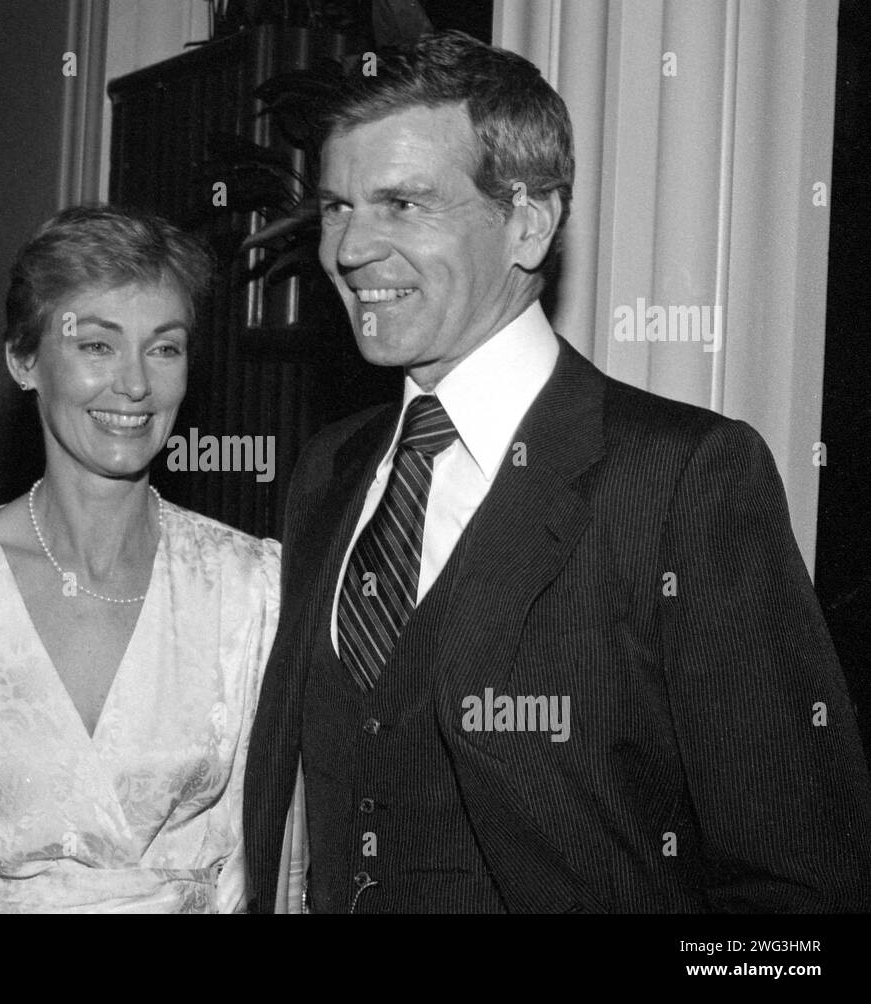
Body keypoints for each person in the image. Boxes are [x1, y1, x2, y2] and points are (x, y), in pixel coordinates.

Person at [243, 31, 871, 913]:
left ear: (528, 222)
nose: (350, 249)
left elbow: (805, 893)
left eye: (404, 205)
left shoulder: (683, 479)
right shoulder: (331, 470)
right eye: (340, 207)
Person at [0, 205, 301, 913]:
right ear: (24, 360)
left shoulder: (251, 588)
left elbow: (278, 867)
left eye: (164, 348)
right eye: (97, 346)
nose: (135, 385)